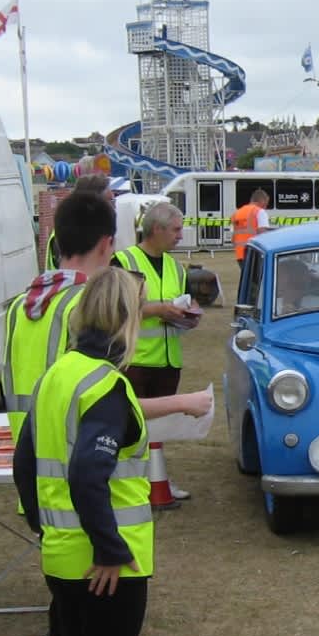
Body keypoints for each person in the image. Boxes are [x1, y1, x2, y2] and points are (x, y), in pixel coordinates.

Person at [12, 270, 210, 636]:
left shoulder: (59, 375)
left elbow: (26, 464)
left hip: (61, 554)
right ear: (126, 319)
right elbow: (88, 473)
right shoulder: (106, 386)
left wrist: (43, 525)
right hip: (106, 564)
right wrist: (108, 549)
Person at [113, 201, 199, 503]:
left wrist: (190, 314)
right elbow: (116, 309)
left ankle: (158, 478)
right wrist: (159, 310)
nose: (181, 235)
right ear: (157, 229)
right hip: (134, 360)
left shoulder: (176, 266)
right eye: (176, 229)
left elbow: (185, 300)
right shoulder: (123, 261)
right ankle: (130, 484)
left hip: (168, 358)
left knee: (160, 426)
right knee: (132, 426)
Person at [46, 174, 115, 270]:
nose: (113, 207)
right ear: (92, 202)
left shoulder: (71, 227)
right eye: (110, 201)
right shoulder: (73, 233)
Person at [231, 189, 270, 263]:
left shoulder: (236, 213)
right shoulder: (259, 211)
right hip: (255, 254)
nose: (266, 206)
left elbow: (233, 239)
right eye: (266, 203)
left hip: (240, 255)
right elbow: (263, 234)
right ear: (262, 201)